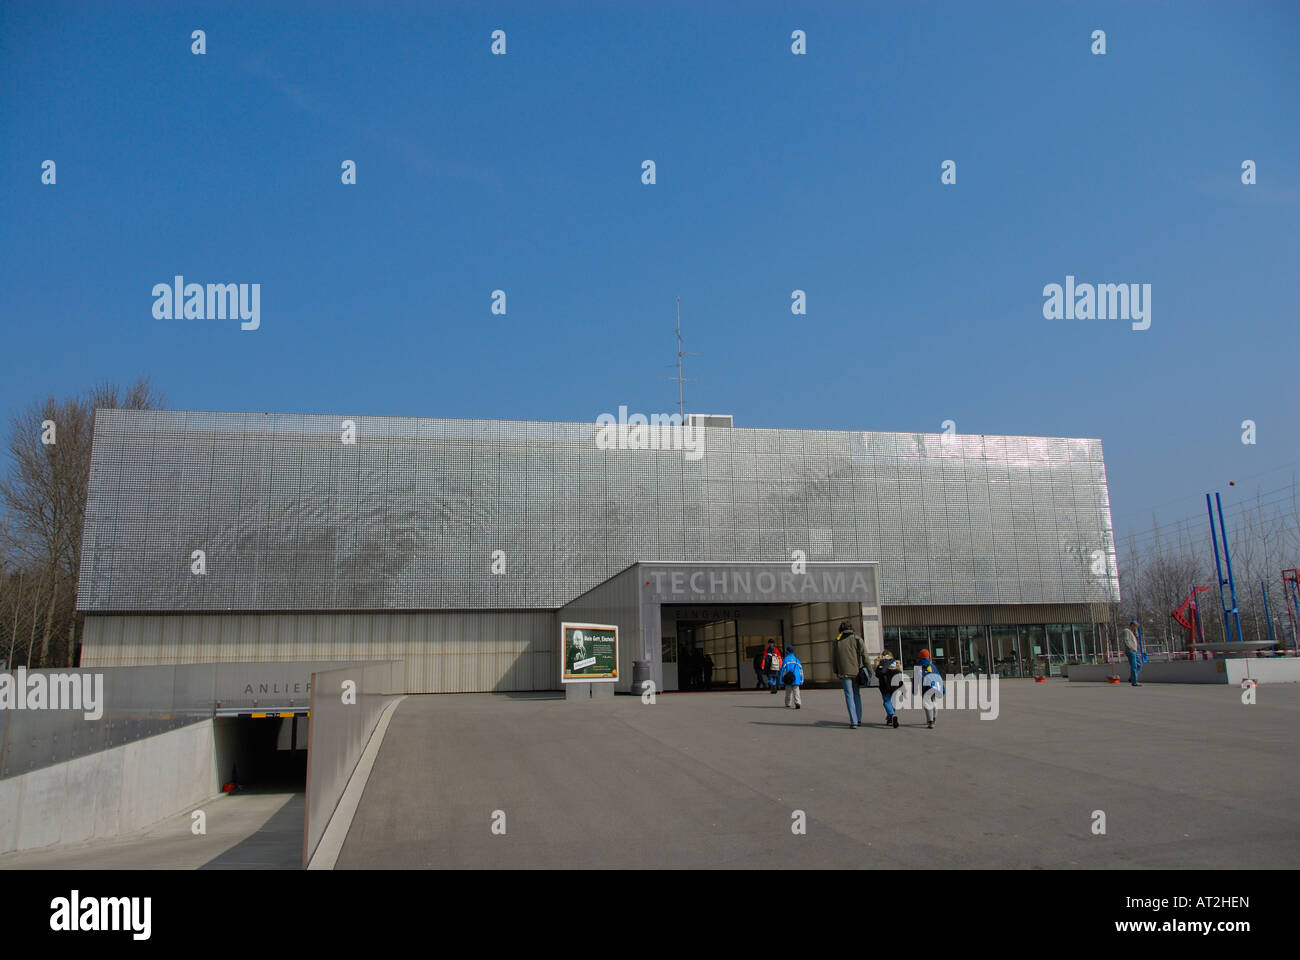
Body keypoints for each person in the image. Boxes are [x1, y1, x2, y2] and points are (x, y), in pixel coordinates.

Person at [831, 621, 869, 727]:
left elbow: (834, 658)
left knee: (849, 695)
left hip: (844, 672)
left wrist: (836, 670)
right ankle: (859, 718)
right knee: (857, 694)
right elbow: (865, 656)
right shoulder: (857, 639)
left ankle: (853, 721)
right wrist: (870, 670)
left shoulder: (837, 641)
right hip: (856, 671)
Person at [874, 650, 903, 727]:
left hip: (885, 685)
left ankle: (891, 715)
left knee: (886, 701)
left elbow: (877, 673)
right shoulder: (895, 662)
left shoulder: (881, 662)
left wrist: (876, 662)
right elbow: (900, 671)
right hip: (895, 684)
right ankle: (890, 719)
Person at [917, 648, 944, 729]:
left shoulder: (918, 667)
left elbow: (917, 679)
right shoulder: (933, 666)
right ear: (928, 656)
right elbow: (938, 677)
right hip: (935, 687)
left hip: (926, 688)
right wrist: (942, 687)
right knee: (934, 701)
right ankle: (934, 718)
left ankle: (930, 721)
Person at [1123, 619, 1142, 687]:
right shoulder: (1126, 631)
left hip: (1135, 651)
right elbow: (1126, 640)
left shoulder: (1132, 632)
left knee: (1139, 664)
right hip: (1130, 651)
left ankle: (1132, 677)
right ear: (1132, 625)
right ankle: (1134, 682)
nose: (1136, 628)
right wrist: (1131, 648)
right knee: (1134, 666)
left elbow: (1136, 640)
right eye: (1135, 626)